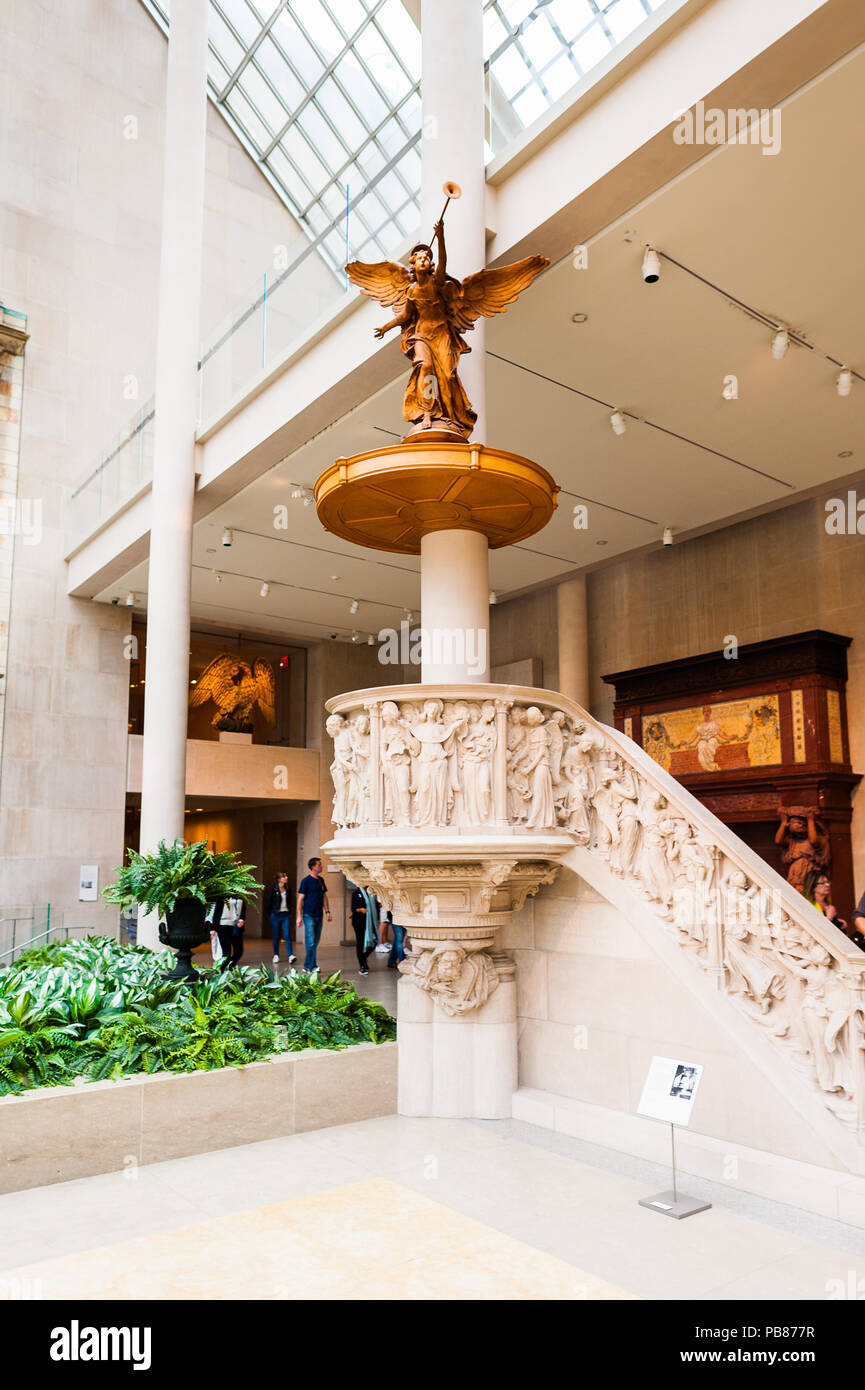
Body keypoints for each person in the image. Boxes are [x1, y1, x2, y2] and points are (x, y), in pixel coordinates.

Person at [297, 856, 331, 973]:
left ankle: (307, 965)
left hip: (319, 915)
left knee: (315, 942)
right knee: (310, 941)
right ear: (313, 867)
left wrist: (327, 911)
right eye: (319, 865)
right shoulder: (305, 881)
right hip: (308, 915)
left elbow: (324, 897)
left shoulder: (321, 880)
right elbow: (300, 899)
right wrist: (299, 916)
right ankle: (312, 966)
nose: (321, 866)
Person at [267, 871, 296, 965]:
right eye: (284, 876)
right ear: (279, 879)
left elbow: (290, 901)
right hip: (275, 915)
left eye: (286, 876)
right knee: (276, 935)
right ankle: (276, 955)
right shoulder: (273, 889)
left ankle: (291, 955)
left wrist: (289, 911)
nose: (286, 877)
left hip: (285, 914)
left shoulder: (288, 889)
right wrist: (270, 914)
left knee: (287, 935)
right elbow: (269, 903)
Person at [212, 895, 246, 970]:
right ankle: (224, 971)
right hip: (223, 926)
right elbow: (217, 912)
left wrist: (242, 920)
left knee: (239, 951)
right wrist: (213, 929)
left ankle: (230, 966)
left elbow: (243, 911)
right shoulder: (222, 896)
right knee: (226, 952)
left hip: (236, 926)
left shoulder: (241, 896)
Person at [351, 885, 376, 976]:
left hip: (370, 922)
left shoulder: (370, 892)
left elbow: (375, 905)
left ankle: (363, 958)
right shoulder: (356, 892)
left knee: (375, 941)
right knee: (360, 943)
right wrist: (361, 909)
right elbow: (353, 908)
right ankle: (362, 965)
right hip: (359, 922)